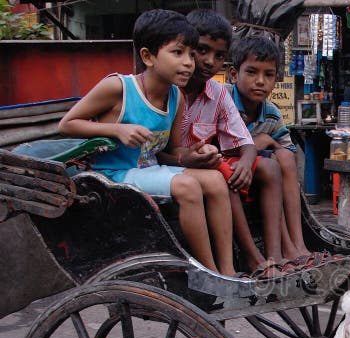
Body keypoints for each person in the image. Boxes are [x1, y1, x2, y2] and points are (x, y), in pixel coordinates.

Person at [58, 9, 236, 276]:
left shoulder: (176, 96)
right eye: (178, 53)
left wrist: (196, 153)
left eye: (190, 54)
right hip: (111, 177)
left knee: (215, 180)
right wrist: (117, 130)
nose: (188, 62)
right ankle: (209, 273)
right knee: (187, 186)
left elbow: (171, 151)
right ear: (148, 56)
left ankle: (228, 270)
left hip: (147, 172)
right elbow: (67, 124)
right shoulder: (119, 88)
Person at [158, 9, 286, 278]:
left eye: (218, 55)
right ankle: (248, 260)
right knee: (222, 175)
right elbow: (156, 154)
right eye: (201, 51)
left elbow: (245, 142)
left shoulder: (216, 93)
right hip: (176, 170)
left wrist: (247, 163)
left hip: (206, 165)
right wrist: (186, 159)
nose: (208, 61)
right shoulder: (166, 90)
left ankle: (275, 258)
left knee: (270, 167)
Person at [227, 34, 320, 267]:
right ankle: (284, 249)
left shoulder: (271, 112)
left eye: (268, 75)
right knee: (272, 164)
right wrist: (248, 145)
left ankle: (297, 245)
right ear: (234, 74)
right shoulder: (223, 101)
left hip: (265, 177)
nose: (260, 81)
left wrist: (268, 141)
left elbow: (287, 151)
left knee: (285, 157)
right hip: (235, 175)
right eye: (252, 72)